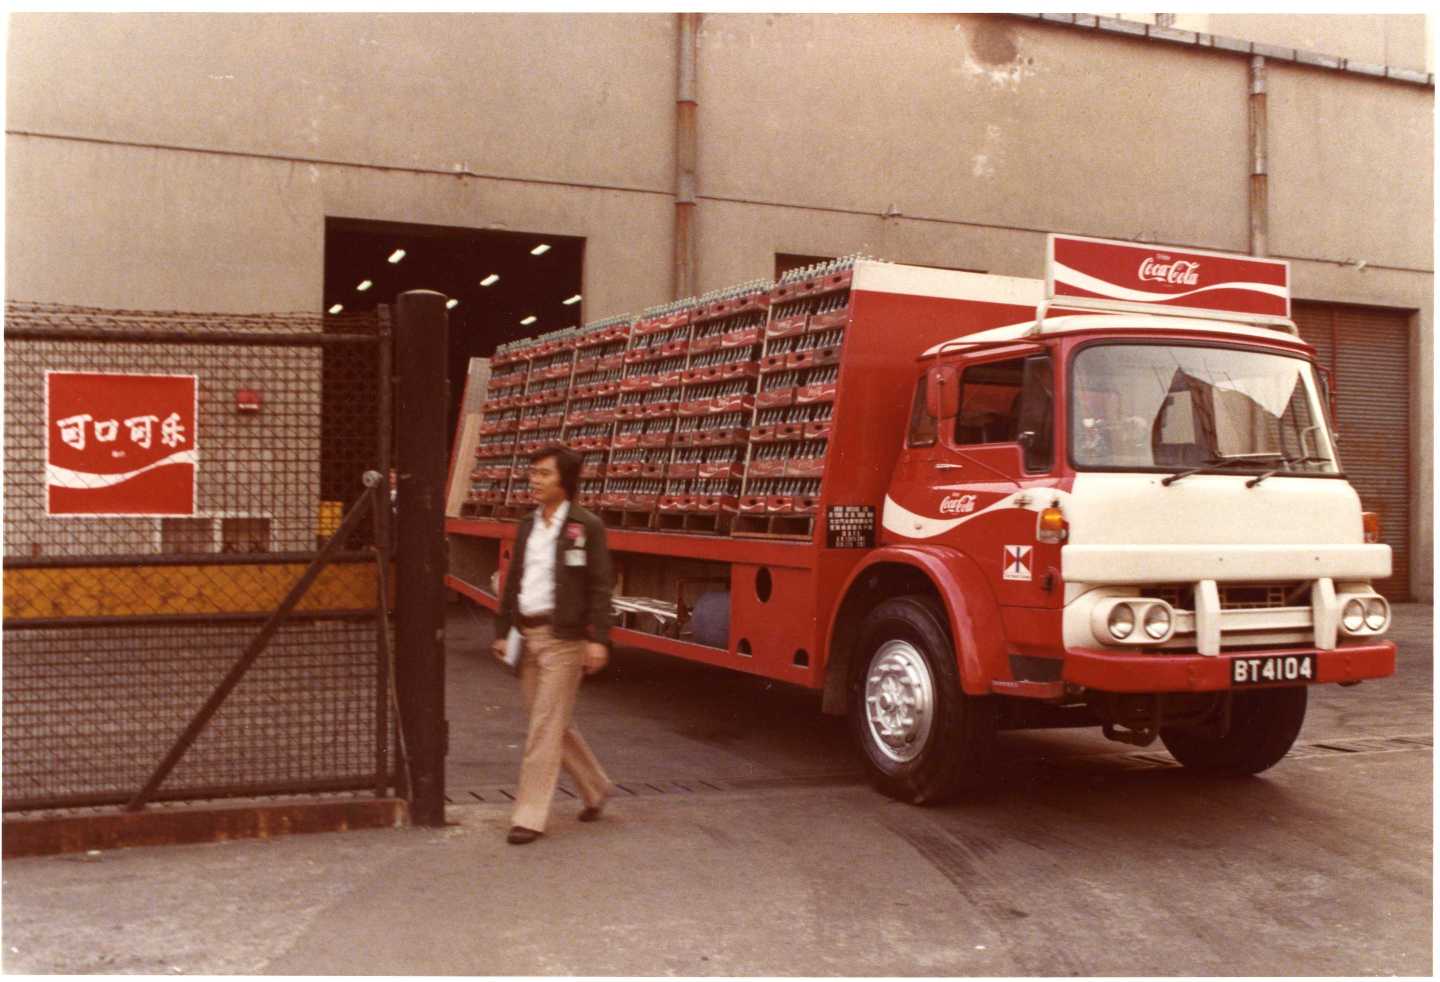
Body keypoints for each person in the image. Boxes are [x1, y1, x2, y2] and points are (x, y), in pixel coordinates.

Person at [492, 444, 615, 845]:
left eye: (543, 474)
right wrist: (501, 629)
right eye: (533, 474)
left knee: (544, 727)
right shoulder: (529, 524)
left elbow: (599, 585)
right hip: (527, 636)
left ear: (565, 480)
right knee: (549, 723)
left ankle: (529, 815)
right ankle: (595, 787)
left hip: (565, 639)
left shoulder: (586, 526)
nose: (534, 481)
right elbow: (515, 580)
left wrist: (598, 638)